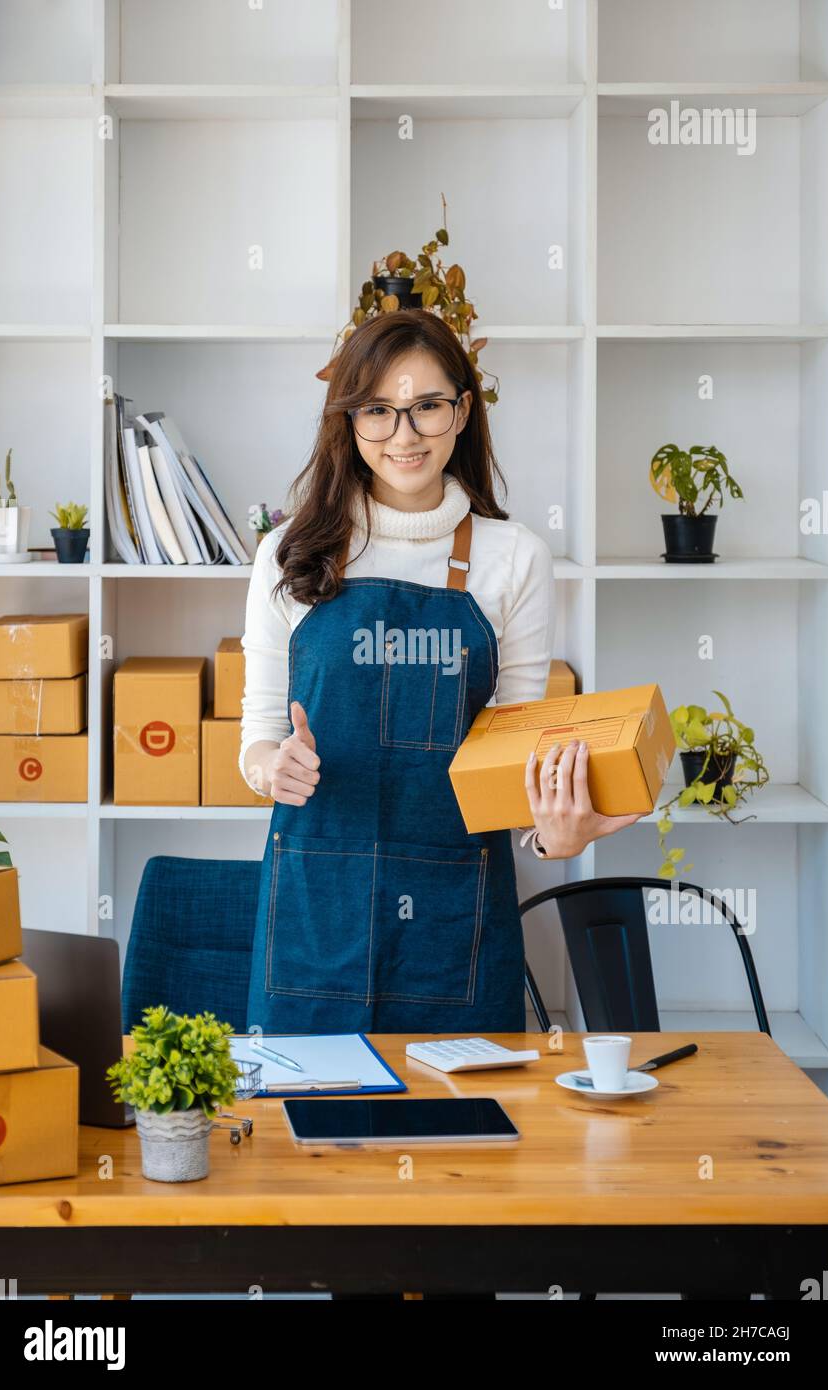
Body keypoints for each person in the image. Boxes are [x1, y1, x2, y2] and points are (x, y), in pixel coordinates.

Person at [239, 308, 640, 1038]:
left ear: (462, 410)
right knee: (302, 1144)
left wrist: (559, 836)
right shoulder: (288, 554)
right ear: (349, 420)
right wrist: (274, 769)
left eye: (427, 406)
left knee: (465, 1141)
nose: (405, 434)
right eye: (379, 411)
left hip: (455, 922)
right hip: (312, 916)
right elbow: (258, 736)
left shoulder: (514, 558)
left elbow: (519, 765)